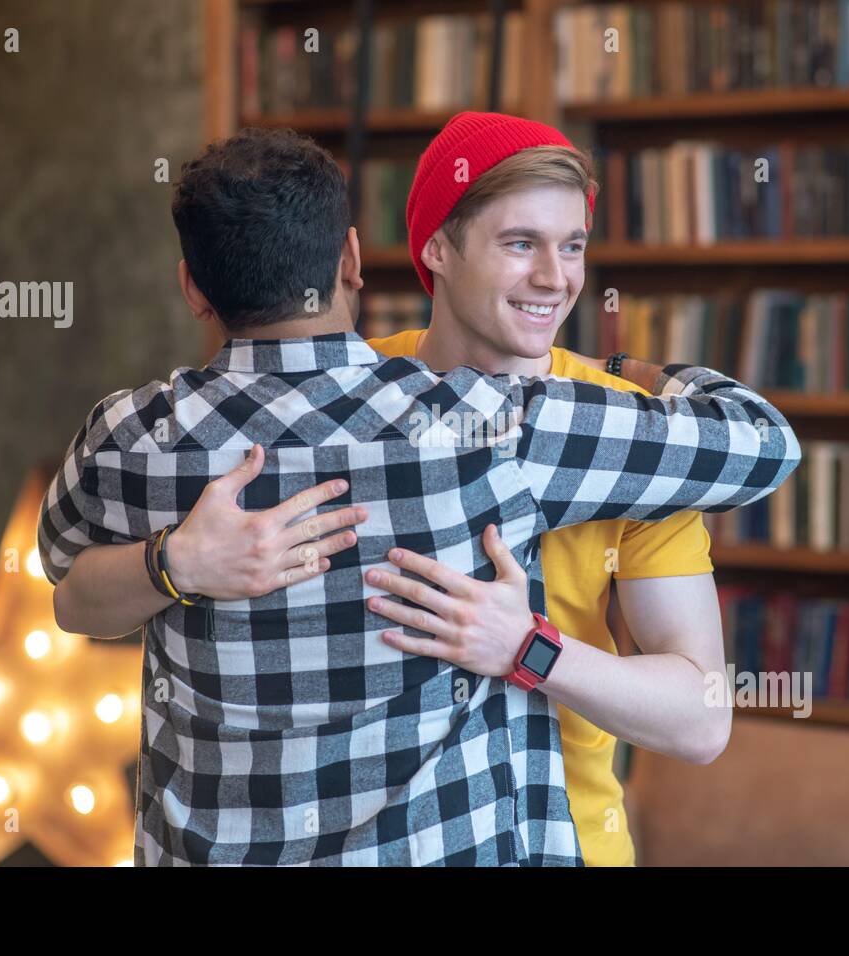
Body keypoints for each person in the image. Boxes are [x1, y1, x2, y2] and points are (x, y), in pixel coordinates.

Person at [40, 123, 800, 866]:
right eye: (518, 243)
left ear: (192, 289)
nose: (556, 277)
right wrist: (178, 562)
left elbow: (64, 588)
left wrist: (527, 649)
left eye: (573, 245)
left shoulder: (131, 437)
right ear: (355, 259)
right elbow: (766, 443)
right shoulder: (502, 426)